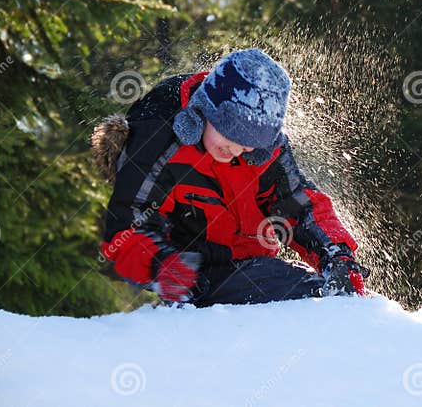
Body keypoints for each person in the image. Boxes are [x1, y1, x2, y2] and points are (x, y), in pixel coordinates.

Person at [92, 48, 368, 306]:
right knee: (312, 298)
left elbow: (300, 206)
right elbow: (127, 222)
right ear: (204, 112)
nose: (237, 148)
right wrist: (161, 265)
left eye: (250, 143)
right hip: (197, 278)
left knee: (324, 293)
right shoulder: (160, 139)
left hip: (255, 266)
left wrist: (338, 255)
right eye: (230, 134)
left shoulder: (265, 155)